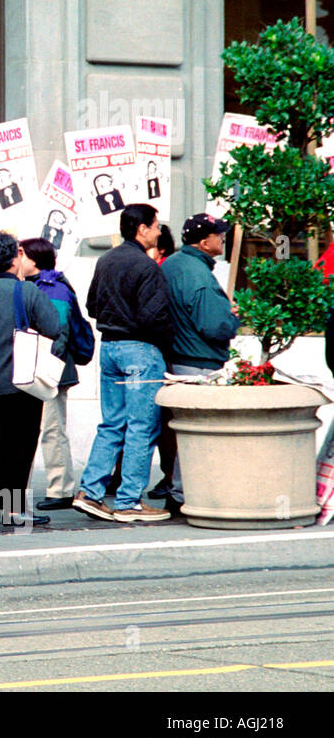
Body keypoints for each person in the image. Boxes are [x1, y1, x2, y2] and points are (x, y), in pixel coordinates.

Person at [74, 204, 174, 523]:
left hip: (110, 348)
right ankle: (129, 501)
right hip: (140, 352)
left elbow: (91, 306)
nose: (159, 232)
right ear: (142, 229)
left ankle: (90, 493)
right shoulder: (147, 267)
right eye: (156, 226)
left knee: (112, 423)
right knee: (142, 426)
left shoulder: (106, 260)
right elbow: (154, 317)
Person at [0, 232, 62, 526]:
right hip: (24, 380)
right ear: (15, 257)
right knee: (21, 446)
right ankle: (12, 510)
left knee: (5, 442)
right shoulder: (26, 292)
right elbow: (53, 327)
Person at [159, 214, 240, 513]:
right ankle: (182, 495)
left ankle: (179, 492)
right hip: (198, 363)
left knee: (188, 432)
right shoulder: (197, 273)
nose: (223, 238)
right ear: (204, 242)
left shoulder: (174, 264)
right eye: (219, 235)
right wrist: (233, 317)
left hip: (180, 358)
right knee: (200, 433)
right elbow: (213, 325)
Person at [18, 237, 91, 512]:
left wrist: (44, 368)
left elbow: (58, 334)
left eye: (22, 255)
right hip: (38, 369)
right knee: (42, 429)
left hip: (50, 371)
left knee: (51, 429)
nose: (18, 261)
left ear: (34, 260)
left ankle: (60, 489)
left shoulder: (53, 288)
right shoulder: (36, 286)